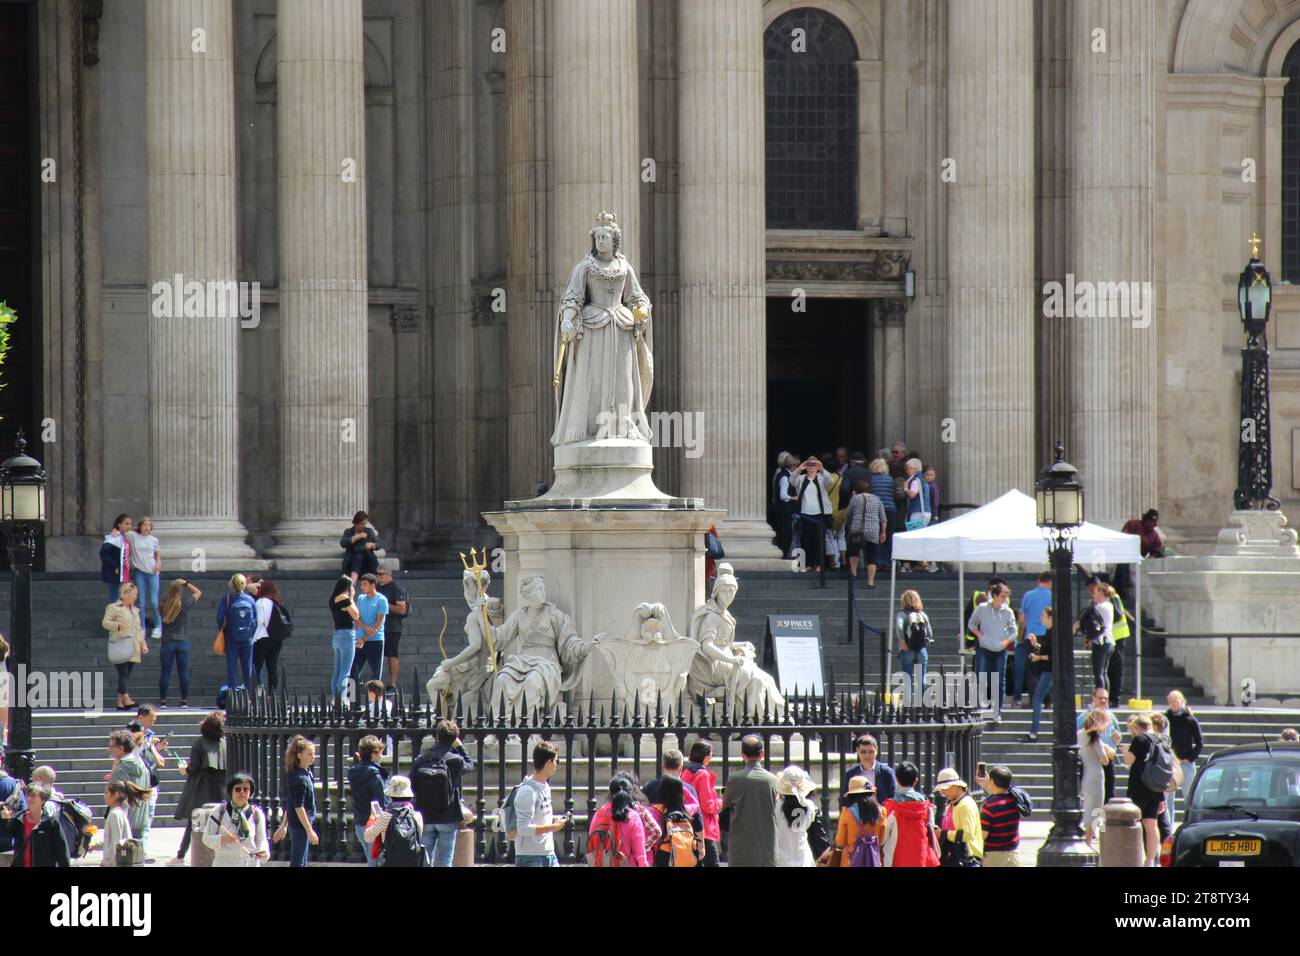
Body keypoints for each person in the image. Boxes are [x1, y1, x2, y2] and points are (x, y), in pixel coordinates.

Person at [410, 717, 475, 867]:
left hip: (425, 814)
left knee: (426, 858)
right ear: (454, 738)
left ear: (437, 736)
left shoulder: (422, 758)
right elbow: (470, 764)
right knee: (445, 859)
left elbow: (411, 783)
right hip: (448, 814)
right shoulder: (455, 760)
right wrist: (459, 746)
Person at [172, 711, 227, 865]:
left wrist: (185, 769)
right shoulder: (225, 743)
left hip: (201, 787)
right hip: (221, 788)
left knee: (194, 821)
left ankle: (180, 855)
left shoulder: (199, 743)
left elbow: (193, 767)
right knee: (219, 821)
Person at [721, 734, 779, 867]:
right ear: (762, 754)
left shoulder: (735, 779)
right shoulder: (772, 780)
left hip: (741, 846)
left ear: (742, 755)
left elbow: (725, 805)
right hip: (766, 845)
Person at [968, 582, 1017, 721]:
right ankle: (980, 709)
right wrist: (978, 634)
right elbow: (971, 623)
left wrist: (1006, 642)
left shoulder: (1008, 611)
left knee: (999, 680)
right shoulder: (982, 608)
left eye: (1006, 596)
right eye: (1002, 596)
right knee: (982, 678)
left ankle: (997, 711)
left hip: (1000, 649)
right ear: (994, 595)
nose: (1004, 599)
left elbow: (1014, 631)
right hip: (984, 648)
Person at [513, 741, 567, 867]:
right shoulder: (527, 791)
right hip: (530, 857)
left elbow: (540, 817)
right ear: (548, 762)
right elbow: (523, 828)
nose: (556, 765)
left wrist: (555, 822)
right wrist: (553, 827)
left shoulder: (545, 786)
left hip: (548, 853)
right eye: (556, 761)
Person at [1121, 713, 1164, 866]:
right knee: (1151, 825)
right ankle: (1150, 860)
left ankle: (1133, 857)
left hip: (1138, 787)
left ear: (1136, 727)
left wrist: (1125, 750)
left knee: (1133, 822)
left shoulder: (1139, 739)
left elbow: (1129, 760)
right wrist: (1162, 797)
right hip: (1156, 788)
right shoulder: (1160, 740)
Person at [202, 772, 270, 868]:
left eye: (246, 789)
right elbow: (206, 838)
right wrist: (223, 839)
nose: (242, 792)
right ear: (231, 791)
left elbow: (262, 838)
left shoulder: (256, 813)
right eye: (238, 789)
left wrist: (264, 851)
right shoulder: (219, 811)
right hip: (224, 862)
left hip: (249, 862)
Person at [882, 761, 940, 867]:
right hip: (921, 857)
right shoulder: (926, 805)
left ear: (897, 780)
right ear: (915, 781)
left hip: (897, 858)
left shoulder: (890, 806)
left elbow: (883, 835)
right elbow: (930, 828)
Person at [273, 735, 319, 867]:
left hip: (299, 823)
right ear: (299, 755)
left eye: (313, 754)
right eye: (309, 754)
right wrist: (309, 830)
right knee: (298, 861)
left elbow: (291, 802)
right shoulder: (299, 778)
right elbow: (298, 806)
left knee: (301, 860)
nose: (313, 757)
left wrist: (283, 825)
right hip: (300, 825)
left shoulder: (304, 773)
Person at [820, 776, 884, 867]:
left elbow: (840, 842)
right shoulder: (882, 813)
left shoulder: (847, 813)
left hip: (850, 862)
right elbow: (881, 841)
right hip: (873, 861)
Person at [1, 783, 70, 867]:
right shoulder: (18, 819)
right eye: (28, 795)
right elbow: (5, 835)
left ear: (43, 800)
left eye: (33, 796)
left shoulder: (51, 823)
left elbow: (62, 852)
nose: (29, 798)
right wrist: (5, 820)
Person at [103, 582, 148, 710]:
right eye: (134, 594)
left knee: (126, 674)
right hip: (120, 644)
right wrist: (117, 625)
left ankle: (119, 701)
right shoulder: (113, 607)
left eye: (136, 595)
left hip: (133, 646)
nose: (135, 597)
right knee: (123, 673)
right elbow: (105, 622)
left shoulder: (135, 610)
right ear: (125, 594)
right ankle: (127, 699)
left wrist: (143, 644)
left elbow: (138, 629)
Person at [363, 775, 425, 867]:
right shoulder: (417, 816)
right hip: (412, 862)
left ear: (391, 796)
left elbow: (368, 837)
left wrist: (372, 817)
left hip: (390, 861)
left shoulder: (386, 816)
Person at [108, 729, 152, 853]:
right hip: (141, 821)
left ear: (121, 748)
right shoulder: (142, 765)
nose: (109, 749)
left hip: (124, 823)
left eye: (112, 746)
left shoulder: (121, 769)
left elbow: (114, 797)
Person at [348, 735, 389, 867]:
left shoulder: (355, 773)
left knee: (372, 860)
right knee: (375, 862)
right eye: (380, 752)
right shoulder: (375, 776)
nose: (382, 756)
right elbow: (379, 803)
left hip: (360, 823)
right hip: (373, 824)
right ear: (374, 753)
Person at [775, 766, 830, 867]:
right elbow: (818, 836)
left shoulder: (775, 807)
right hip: (804, 860)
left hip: (781, 860)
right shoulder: (810, 807)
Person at [588, 777, 649, 867]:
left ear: (610, 793)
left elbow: (591, 841)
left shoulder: (599, 813)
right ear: (630, 794)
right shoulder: (633, 817)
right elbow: (639, 853)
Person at [158, 578, 200, 706]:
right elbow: (198, 592)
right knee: (183, 672)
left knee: (165, 672)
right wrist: (186, 583)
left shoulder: (162, 605)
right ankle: (184, 701)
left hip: (167, 642)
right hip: (182, 641)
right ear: (180, 591)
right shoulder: (183, 604)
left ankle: (163, 701)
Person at [1077, 687, 1123, 803]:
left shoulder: (1112, 717)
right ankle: (1097, 819)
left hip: (1108, 758)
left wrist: (1118, 739)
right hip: (1091, 758)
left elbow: (1118, 737)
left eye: (1106, 698)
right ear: (1093, 699)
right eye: (1100, 698)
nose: (1103, 700)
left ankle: (1106, 818)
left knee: (1109, 793)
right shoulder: (1085, 716)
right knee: (1094, 797)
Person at [977, 765, 1029, 867]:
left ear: (992, 781)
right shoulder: (1015, 801)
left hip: (994, 857)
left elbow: (983, 835)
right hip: (1013, 855)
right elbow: (1000, 795)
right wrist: (988, 785)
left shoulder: (989, 806)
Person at [1015, 572, 1054, 708]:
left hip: (1031, 636)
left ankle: (1034, 700)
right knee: (1048, 668)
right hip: (1048, 634)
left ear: (1039, 581)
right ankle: (1049, 700)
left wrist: (1020, 635)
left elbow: (1021, 618)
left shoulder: (1028, 595)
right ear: (1049, 582)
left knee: (1032, 670)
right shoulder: (1052, 595)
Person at [215, 573, 258, 692]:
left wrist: (223, 630)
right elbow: (255, 621)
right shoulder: (250, 600)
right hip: (247, 638)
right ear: (244, 585)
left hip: (231, 637)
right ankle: (250, 695)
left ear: (232, 585)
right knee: (247, 667)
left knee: (232, 667)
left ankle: (233, 694)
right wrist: (249, 634)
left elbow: (219, 617)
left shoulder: (228, 598)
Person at [681, 740, 721, 867]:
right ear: (705, 756)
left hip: (690, 825)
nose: (711, 758)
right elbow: (708, 805)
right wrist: (721, 802)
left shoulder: (686, 772)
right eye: (711, 755)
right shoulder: (703, 774)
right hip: (705, 828)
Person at [649, 774, 703, 866]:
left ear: (662, 790)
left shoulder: (655, 811)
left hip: (664, 855)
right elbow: (695, 803)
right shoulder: (686, 811)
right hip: (686, 856)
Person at [792, 455, 834, 572]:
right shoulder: (801, 478)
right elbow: (792, 481)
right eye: (809, 464)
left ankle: (820, 564)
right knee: (806, 539)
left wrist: (822, 468)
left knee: (819, 540)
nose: (811, 467)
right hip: (805, 513)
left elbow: (830, 480)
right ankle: (808, 564)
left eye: (814, 464)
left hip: (820, 513)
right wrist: (800, 468)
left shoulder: (821, 478)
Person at [934, 767, 982, 867]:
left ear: (957, 786)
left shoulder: (966, 804)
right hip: (955, 858)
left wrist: (943, 833)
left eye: (945, 788)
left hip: (967, 860)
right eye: (941, 790)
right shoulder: (952, 805)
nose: (943, 792)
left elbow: (967, 834)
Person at [1075, 578, 1116, 694]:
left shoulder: (1100, 607)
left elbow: (1086, 619)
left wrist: (1076, 627)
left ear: (1102, 593)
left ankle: (1100, 695)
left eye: (1096, 592)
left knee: (1098, 672)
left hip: (1101, 642)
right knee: (1103, 672)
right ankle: (1105, 698)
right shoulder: (1109, 606)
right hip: (1109, 641)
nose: (1093, 594)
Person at [845, 477, 887, 588]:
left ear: (857, 489)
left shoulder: (855, 498)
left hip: (857, 530)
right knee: (872, 557)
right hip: (873, 531)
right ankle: (871, 582)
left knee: (854, 553)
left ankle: (853, 575)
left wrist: (849, 526)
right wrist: (883, 533)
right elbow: (883, 518)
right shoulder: (877, 499)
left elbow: (849, 513)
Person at [1079, 709, 1112, 846]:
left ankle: (1088, 840)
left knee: (1088, 808)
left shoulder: (1079, 735)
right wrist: (1108, 750)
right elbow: (1104, 760)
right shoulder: (1096, 739)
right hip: (1097, 776)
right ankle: (1091, 841)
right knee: (1097, 810)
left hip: (1086, 775)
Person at [1023, 605, 1054, 742]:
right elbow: (1047, 650)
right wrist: (1036, 645)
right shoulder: (1048, 632)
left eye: (1043, 615)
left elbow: (1054, 655)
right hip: (1047, 670)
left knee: (1037, 699)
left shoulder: (1054, 633)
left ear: (1050, 617)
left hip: (1050, 671)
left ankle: (1034, 731)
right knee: (1046, 698)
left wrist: (1038, 657)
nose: (1041, 617)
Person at [128, 516, 162, 638]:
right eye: (145, 525)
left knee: (153, 601)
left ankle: (158, 626)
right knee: (141, 602)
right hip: (139, 573)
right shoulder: (133, 536)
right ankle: (141, 627)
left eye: (149, 525)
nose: (147, 527)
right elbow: (126, 528)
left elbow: (157, 554)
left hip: (152, 573)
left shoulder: (153, 539)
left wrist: (158, 563)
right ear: (140, 526)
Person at [351, 573, 389, 685]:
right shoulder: (361, 598)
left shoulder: (381, 600)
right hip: (359, 640)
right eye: (361, 584)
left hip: (375, 640)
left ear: (372, 585)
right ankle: (351, 699)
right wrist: (364, 628)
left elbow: (378, 623)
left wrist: (365, 637)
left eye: (365, 584)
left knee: (376, 673)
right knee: (353, 671)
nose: (362, 587)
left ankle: (376, 701)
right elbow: (356, 617)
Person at [328, 575, 362, 700]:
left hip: (337, 635)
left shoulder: (333, 598)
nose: (353, 589)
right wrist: (352, 597)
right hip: (347, 634)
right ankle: (342, 699)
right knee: (345, 670)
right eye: (351, 586)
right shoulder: (343, 597)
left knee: (337, 670)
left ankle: (335, 698)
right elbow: (356, 615)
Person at [251, 578, 287, 692]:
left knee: (256, 665)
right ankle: (273, 693)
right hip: (276, 638)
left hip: (262, 638)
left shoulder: (261, 602)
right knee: (272, 666)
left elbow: (260, 620)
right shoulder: (277, 601)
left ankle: (258, 690)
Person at [376, 565, 409, 688]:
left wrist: (385, 604)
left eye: (381, 574)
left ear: (389, 574)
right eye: (377, 574)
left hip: (392, 627)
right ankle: (377, 682)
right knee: (377, 655)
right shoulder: (377, 587)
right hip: (378, 626)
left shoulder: (397, 588)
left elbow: (402, 609)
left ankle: (393, 683)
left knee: (392, 655)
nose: (379, 577)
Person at [841, 733, 897, 804]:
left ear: (876, 751)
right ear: (857, 751)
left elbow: (893, 798)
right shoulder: (851, 774)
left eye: (871, 752)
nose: (867, 755)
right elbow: (844, 800)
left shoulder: (887, 772)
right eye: (863, 752)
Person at [895, 591, 932, 695]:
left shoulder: (902, 614)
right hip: (921, 649)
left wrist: (902, 641)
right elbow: (929, 633)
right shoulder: (922, 614)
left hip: (907, 649)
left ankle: (909, 705)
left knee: (908, 679)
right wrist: (925, 642)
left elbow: (899, 627)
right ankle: (923, 705)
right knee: (922, 678)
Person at [100, 780, 146, 867]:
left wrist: (106, 862)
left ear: (116, 795)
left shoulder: (114, 814)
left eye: (106, 793)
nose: (104, 796)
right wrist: (97, 845)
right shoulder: (119, 812)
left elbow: (116, 841)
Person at [99, 514, 135, 603]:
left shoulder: (125, 537)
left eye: (130, 524)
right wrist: (114, 566)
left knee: (124, 597)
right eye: (126, 524)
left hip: (124, 572)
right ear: (119, 524)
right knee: (116, 598)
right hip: (114, 573)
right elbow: (103, 553)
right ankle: (116, 616)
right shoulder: (113, 538)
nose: (129, 526)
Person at [868, 458, 898, 560]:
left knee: (876, 536)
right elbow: (895, 495)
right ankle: (889, 561)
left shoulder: (871, 479)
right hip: (890, 509)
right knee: (889, 536)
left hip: (875, 510)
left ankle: (878, 561)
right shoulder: (890, 479)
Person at [772, 452, 800, 558]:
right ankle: (785, 555)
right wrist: (795, 498)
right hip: (786, 511)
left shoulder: (786, 475)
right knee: (786, 533)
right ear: (792, 466)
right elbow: (783, 496)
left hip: (785, 510)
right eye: (796, 466)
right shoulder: (784, 477)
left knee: (788, 533)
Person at [341, 510, 381, 582]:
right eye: (362, 524)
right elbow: (343, 543)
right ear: (356, 523)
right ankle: (353, 582)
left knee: (369, 554)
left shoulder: (368, 531)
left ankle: (378, 579)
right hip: (352, 562)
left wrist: (372, 545)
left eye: (365, 524)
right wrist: (356, 537)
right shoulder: (349, 532)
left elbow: (379, 544)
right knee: (358, 555)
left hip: (367, 562)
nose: (363, 526)